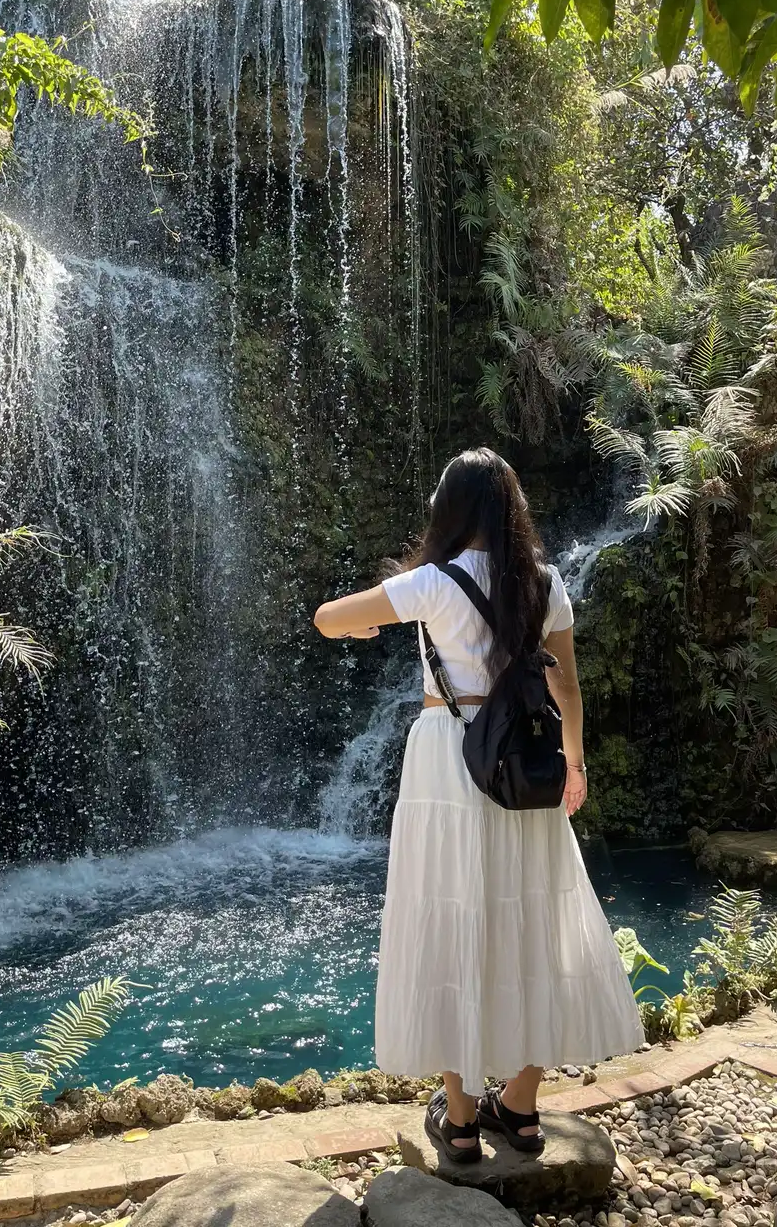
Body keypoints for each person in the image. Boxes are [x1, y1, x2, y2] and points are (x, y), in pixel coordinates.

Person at [314, 447, 644, 1161]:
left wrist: (368, 622)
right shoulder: (548, 584)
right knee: (538, 917)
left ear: (450, 509)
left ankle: (460, 1118)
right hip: (527, 764)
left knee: (450, 913)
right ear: (514, 509)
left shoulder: (430, 584)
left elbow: (327, 618)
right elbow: (568, 690)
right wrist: (576, 766)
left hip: (448, 756)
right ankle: (521, 1108)